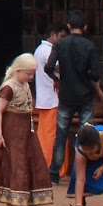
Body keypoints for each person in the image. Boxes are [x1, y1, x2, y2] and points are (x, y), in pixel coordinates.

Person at [0, 54, 54, 206]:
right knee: (15, 166)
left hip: (27, 132)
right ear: (17, 71)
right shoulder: (8, 87)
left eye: (32, 74)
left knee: (32, 163)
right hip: (12, 133)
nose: (31, 77)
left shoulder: (24, 85)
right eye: (28, 74)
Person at [46, 10, 103, 184]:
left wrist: (58, 79)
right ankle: (85, 171)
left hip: (66, 96)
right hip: (85, 95)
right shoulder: (89, 46)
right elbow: (96, 74)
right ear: (85, 27)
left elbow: (48, 67)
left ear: (69, 26)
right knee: (87, 135)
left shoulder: (60, 45)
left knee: (61, 135)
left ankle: (54, 174)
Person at [33, 20, 66, 165]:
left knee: (45, 134)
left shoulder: (40, 49)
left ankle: (44, 164)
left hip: (46, 97)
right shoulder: (48, 50)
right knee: (53, 134)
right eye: (61, 36)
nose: (63, 40)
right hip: (53, 98)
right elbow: (58, 67)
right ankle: (51, 165)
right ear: (53, 35)